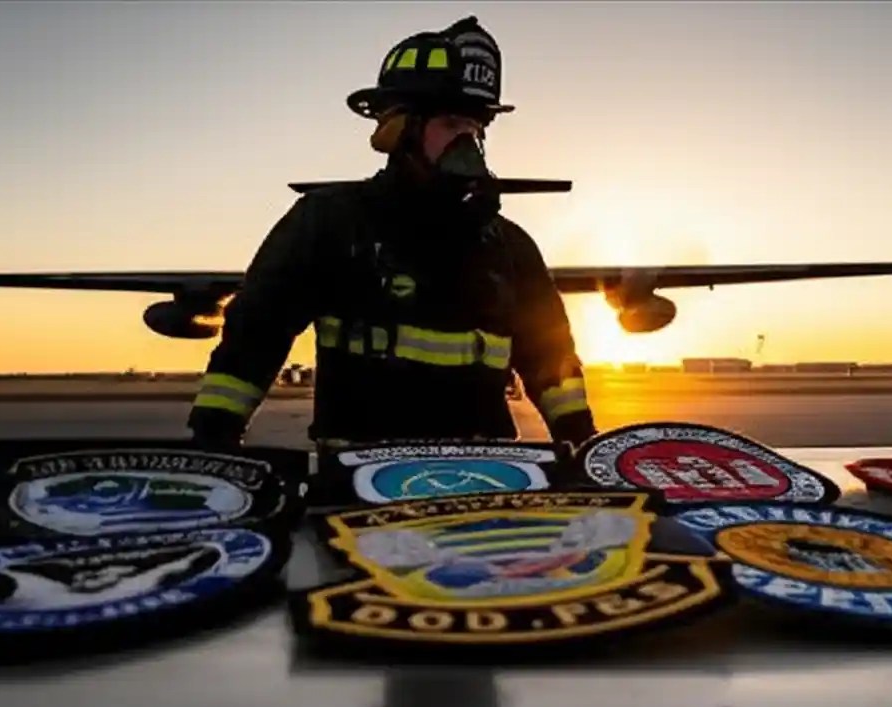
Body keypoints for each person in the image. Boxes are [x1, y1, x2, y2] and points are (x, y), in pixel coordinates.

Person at [186, 16, 598, 458]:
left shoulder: (509, 246)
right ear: (399, 129)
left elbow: (550, 360)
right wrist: (215, 441)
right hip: (356, 481)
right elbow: (255, 337)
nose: (468, 142)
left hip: (484, 477)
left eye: (476, 129)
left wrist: (584, 445)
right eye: (451, 124)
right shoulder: (330, 222)